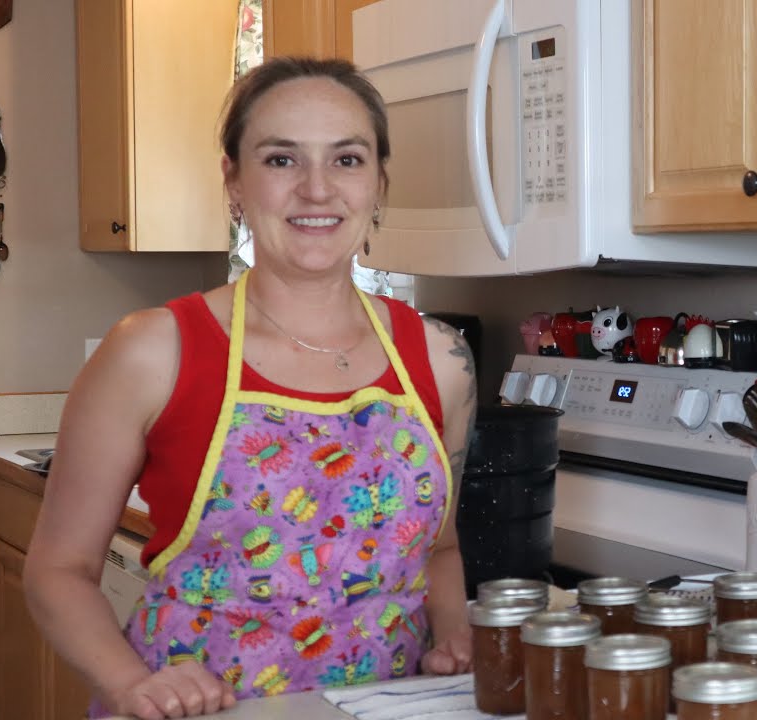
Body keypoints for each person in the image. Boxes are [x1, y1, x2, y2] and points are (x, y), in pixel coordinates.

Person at [23, 57, 477, 719]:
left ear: (379, 182)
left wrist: (455, 632)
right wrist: (130, 685)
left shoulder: (441, 359)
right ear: (233, 180)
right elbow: (57, 572)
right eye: (281, 160)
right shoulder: (153, 351)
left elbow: (439, 547)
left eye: (347, 159)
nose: (318, 190)